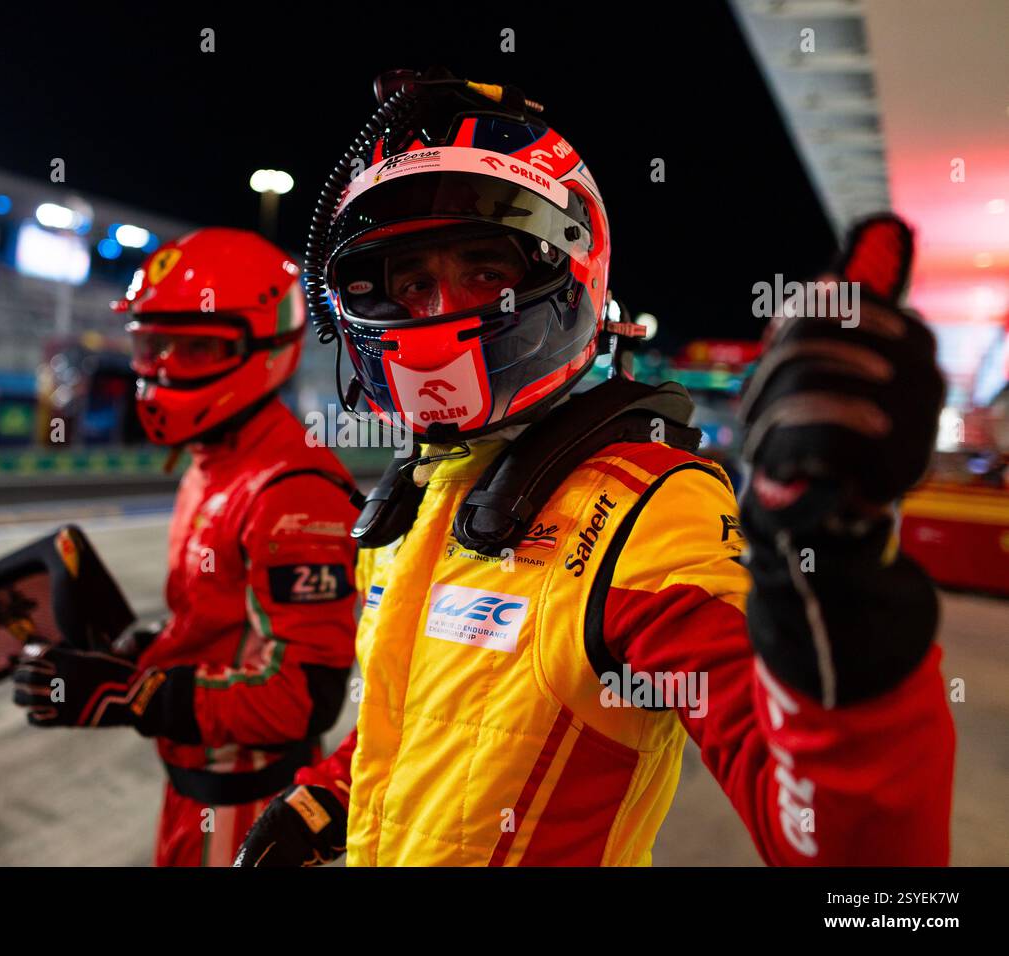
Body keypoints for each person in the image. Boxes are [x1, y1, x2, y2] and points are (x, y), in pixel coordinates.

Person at [233, 69, 954, 867]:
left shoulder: (649, 510)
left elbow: (836, 849)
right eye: (412, 283)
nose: (439, 313)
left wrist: (842, 597)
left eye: (482, 273)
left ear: (565, 275)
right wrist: (322, 800)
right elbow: (423, 720)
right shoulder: (424, 490)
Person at [12, 227, 360, 866]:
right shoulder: (214, 457)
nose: (165, 369)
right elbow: (220, 620)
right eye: (153, 345)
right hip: (196, 786)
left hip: (251, 807)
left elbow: (304, 697)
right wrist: (149, 651)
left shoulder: (293, 490)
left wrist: (134, 694)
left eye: (196, 347)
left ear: (268, 348)